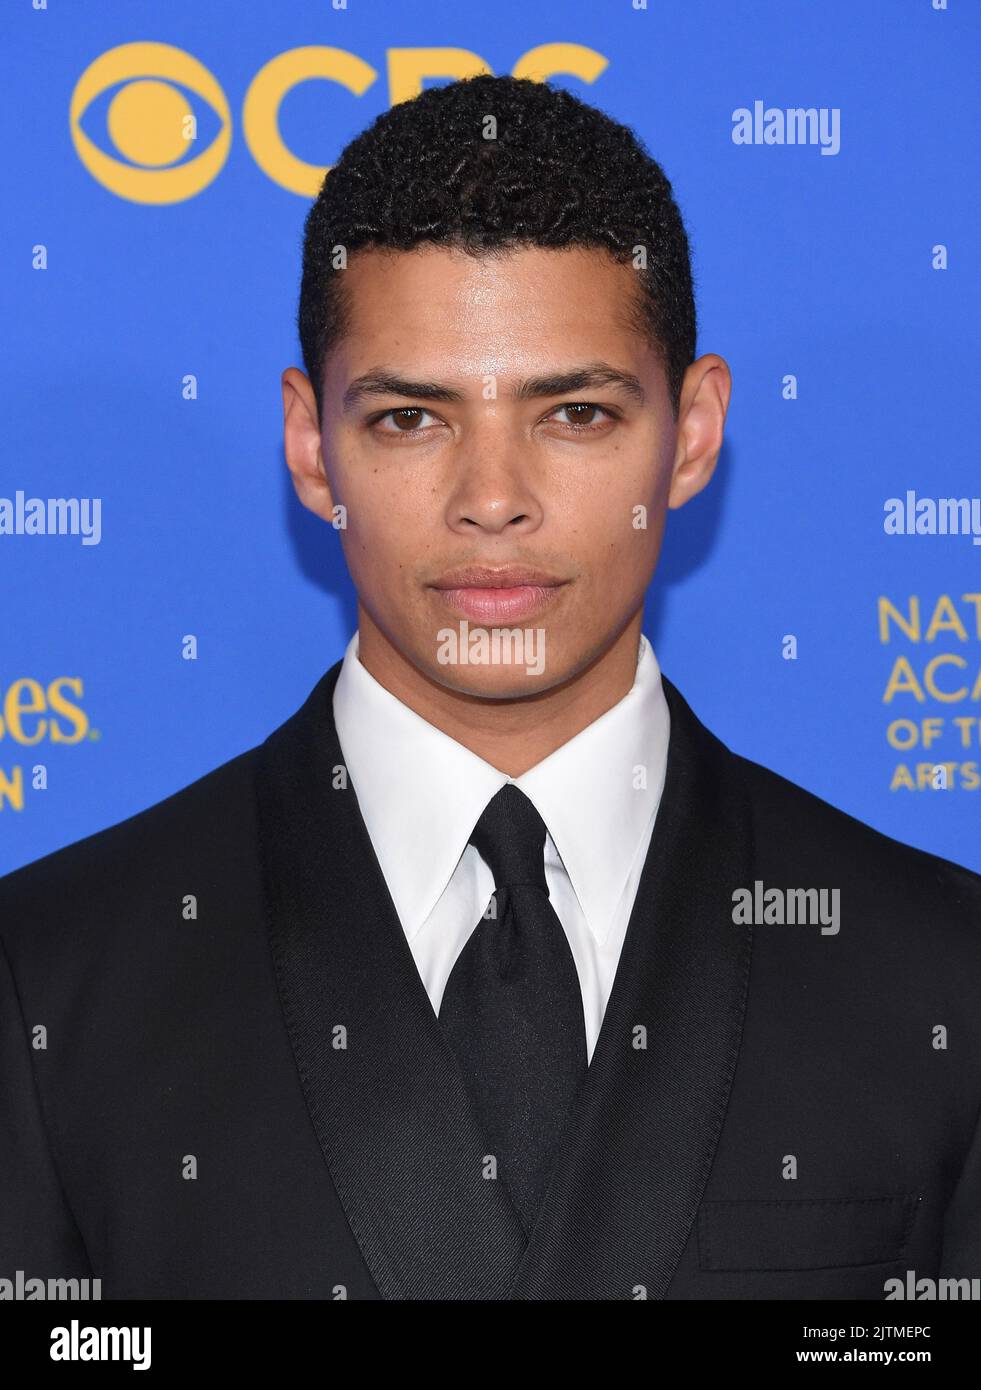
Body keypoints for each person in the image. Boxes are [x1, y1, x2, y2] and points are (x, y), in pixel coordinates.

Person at [1, 74, 979, 1302]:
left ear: (690, 433)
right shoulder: (52, 973)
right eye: (413, 419)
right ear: (312, 446)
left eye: (573, 412)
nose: (493, 495)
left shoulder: (942, 973)